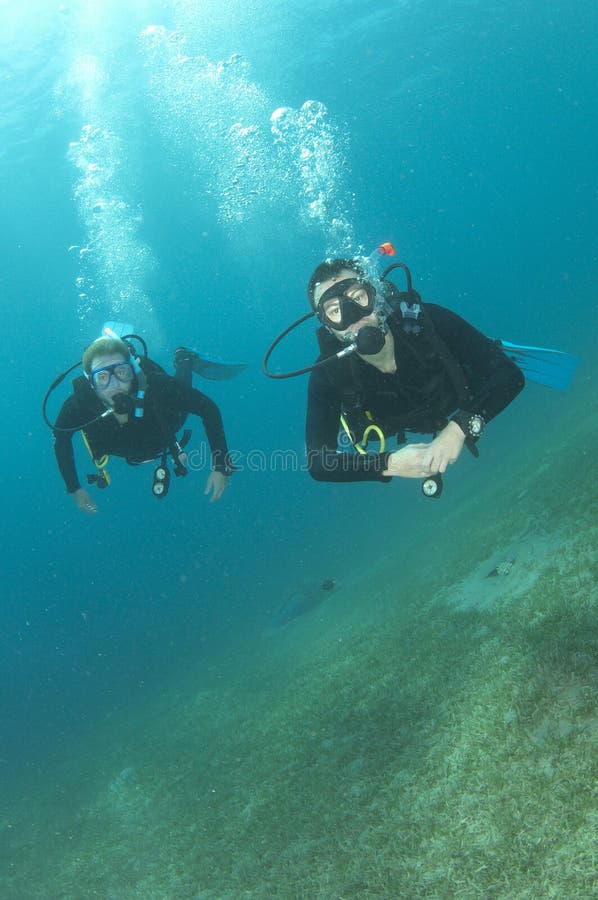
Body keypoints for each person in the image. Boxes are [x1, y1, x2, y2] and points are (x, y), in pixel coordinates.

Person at [304, 256, 525, 488]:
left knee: (490, 362)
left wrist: (461, 426)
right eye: (335, 310)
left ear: (375, 294)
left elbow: (510, 376)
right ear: (327, 326)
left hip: (458, 393)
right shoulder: (327, 375)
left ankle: (491, 347)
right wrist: (389, 463)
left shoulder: (428, 322)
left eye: (357, 297)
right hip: (398, 421)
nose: (353, 316)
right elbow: (319, 463)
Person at [52, 335, 236, 514]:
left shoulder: (158, 387)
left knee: (181, 385)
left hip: (169, 423)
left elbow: (208, 409)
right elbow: (61, 439)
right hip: (128, 446)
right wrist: (74, 488)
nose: (114, 384)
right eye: (102, 377)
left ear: (132, 371)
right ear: (91, 383)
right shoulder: (78, 405)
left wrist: (221, 466)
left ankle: (184, 359)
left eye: (121, 372)